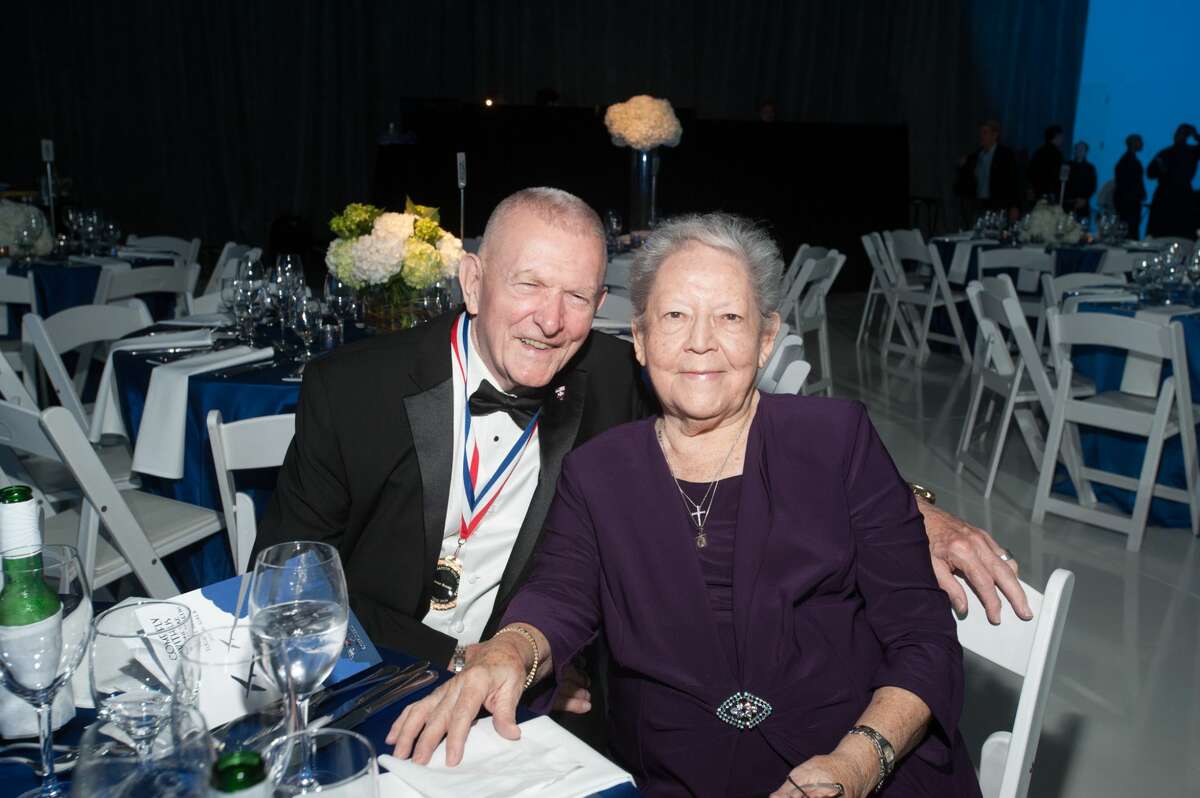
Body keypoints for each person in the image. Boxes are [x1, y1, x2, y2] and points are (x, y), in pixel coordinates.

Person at [257, 188, 1030, 675]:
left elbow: (772, 428)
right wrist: (455, 661)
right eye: (528, 284)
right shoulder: (351, 390)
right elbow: (287, 583)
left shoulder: (622, 372)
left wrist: (916, 509)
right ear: (473, 280)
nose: (551, 320)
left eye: (579, 296)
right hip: (368, 668)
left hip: (538, 687)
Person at [388, 213, 983, 797]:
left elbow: (922, 637)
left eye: (729, 316)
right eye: (675, 316)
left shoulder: (835, 440)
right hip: (676, 777)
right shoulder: (599, 471)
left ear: (766, 337)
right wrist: (509, 651)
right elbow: (559, 595)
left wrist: (858, 763)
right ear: (640, 342)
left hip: (862, 763)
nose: (701, 342)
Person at [955, 119, 1021, 223]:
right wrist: (963, 167)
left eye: (985, 133)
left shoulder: (1004, 155)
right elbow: (966, 182)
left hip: (998, 206)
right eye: (980, 133)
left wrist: (1015, 206)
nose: (981, 136)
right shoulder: (976, 156)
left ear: (995, 135)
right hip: (978, 205)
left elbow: (1014, 182)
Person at [1146, 123, 1200, 238]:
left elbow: (1150, 173)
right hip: (1166, 196)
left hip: (1180, 197)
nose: (1178, 136)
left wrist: (1196, 135)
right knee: (1161, 233)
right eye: (1178, 133)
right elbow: (1150, 173)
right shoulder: (1165, 153)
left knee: (1180, 234)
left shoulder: (1191, 152)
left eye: (1182, 133)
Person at [1114, 134, 1147, 238]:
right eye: (1139, 141)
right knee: (1129, 231)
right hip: (1128, 204)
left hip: (1129, 202)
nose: (1142, 144)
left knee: (1129, 229)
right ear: (1133, 144)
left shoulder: (1129, 160)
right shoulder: (1128, 161)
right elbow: (1129, 183)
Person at [1027, 124, 1064, 202]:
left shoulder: (1039, 151)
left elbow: (1030, 172)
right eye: (1061, 137)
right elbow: (1055, 176)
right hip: (1049, 195)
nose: (1062, 139)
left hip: (1036, 192)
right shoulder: (1056, 154)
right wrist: (1052, 192)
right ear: (1056, 136)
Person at [1064, 141, 1097, 224]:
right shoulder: (1067, 166)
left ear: (1086, 152)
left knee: (1082, 229)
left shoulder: (1090, 168)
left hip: (1083, 204)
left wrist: (1084, 199)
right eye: (1077, 149)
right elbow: (1062, 183)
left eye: (1082, 149)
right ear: (1074, 150)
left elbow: (1092, 186)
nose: (1079, 151)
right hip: (1069, 203)